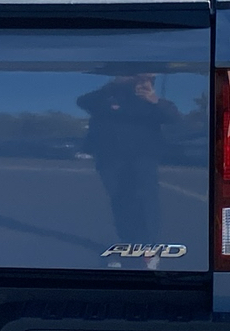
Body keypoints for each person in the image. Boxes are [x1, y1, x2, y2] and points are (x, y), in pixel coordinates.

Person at [76, 74, 178, 244]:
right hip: (109, 158)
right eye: (135, 79)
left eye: (146, 80)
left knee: (146, 199)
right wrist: (111, 85)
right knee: (119, 199)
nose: (140, 83)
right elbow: (83, 102)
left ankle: (149, 245)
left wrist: (154, 99)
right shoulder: (106, 98)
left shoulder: (150, 102)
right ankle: (127, 241)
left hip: (143, 157)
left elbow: (173, 117)